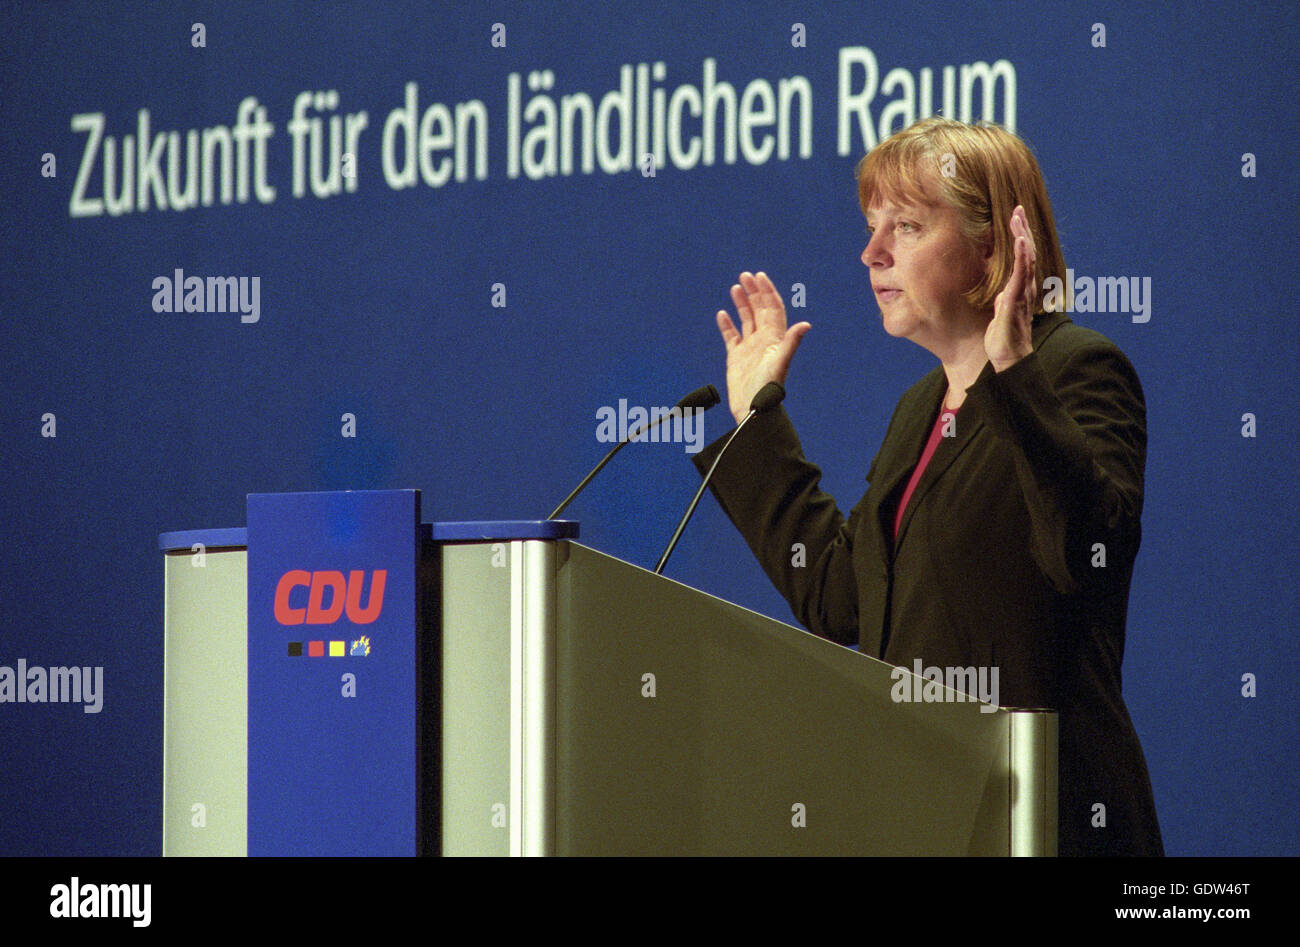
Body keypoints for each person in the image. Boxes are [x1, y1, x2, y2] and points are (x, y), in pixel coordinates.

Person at [692, 116, 1163, 856]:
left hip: (1045, 814)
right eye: (873, 226)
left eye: (906, 226)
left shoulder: (1077, 368)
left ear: (992, 246)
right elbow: (843, 600)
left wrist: (1014, 376)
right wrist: (758, 422)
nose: (871, 252)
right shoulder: (920, 408)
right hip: (927, 811)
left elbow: (1088, 555)